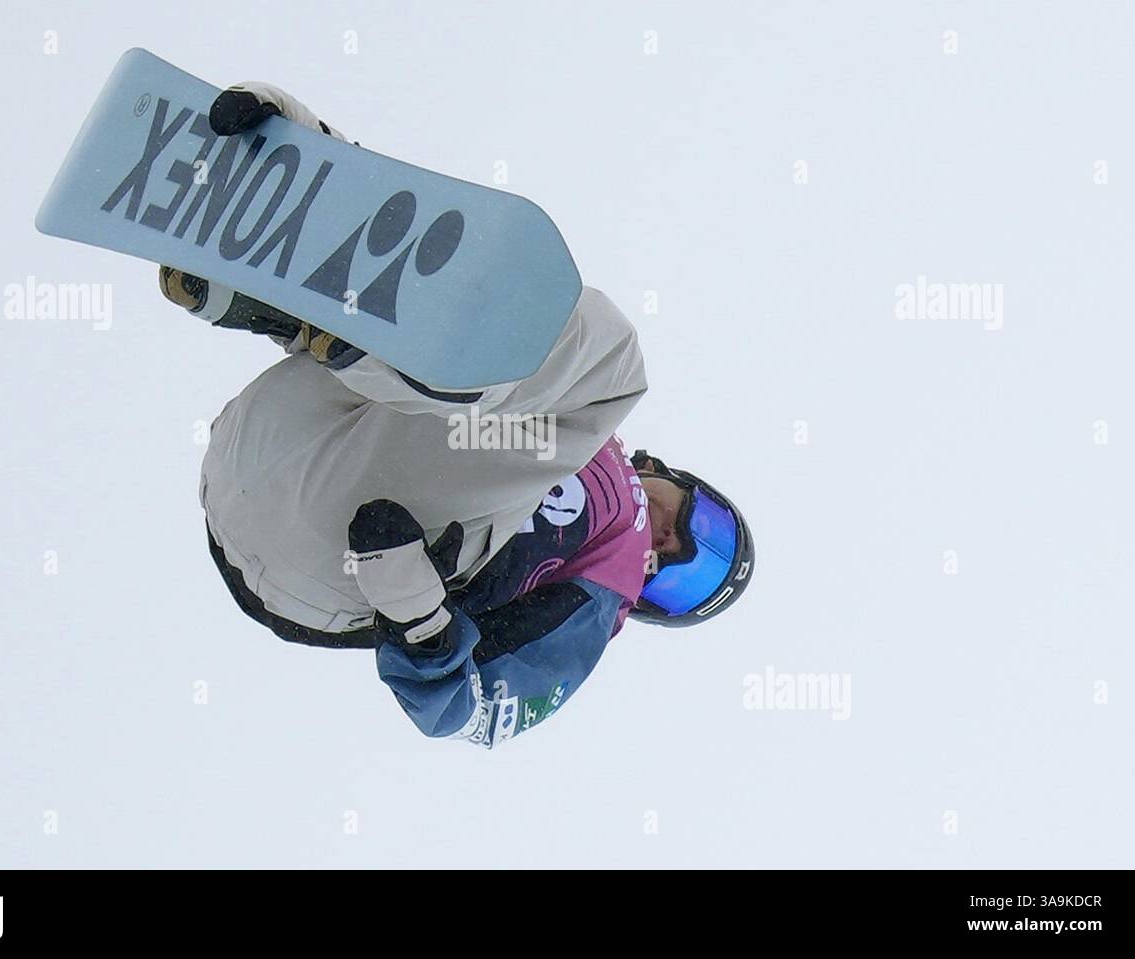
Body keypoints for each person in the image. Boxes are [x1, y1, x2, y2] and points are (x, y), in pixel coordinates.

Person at [160, 82, 754, 747]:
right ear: (676, 476)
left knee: (603, 360)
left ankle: (373, 310)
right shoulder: (573, 424)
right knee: (493, 377)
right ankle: (305, 241)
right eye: (707, 525)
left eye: (684, 579)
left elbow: (469, 713)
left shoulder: (604, 584)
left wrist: (421, 624)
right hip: (273, 440)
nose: (676, 543)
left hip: (346, 557)